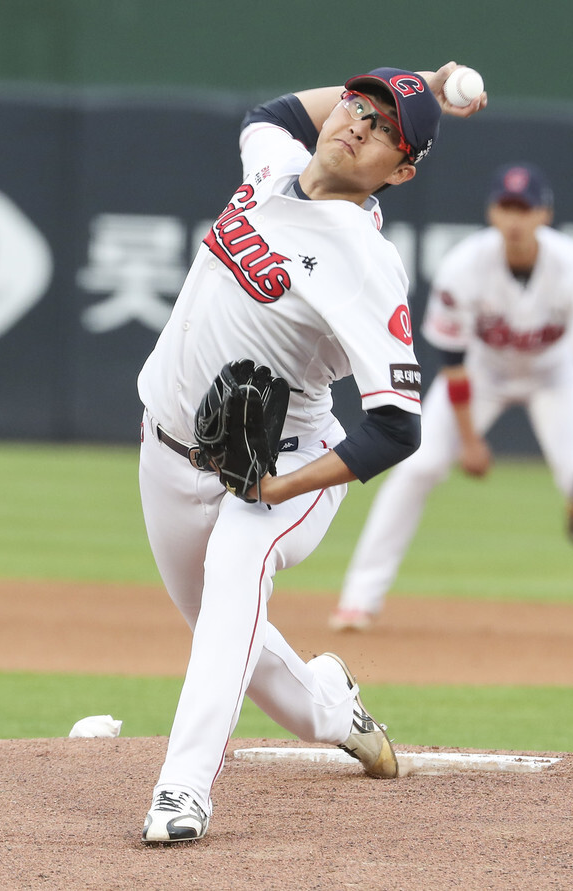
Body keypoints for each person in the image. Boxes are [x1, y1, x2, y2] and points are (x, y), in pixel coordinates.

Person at [136, 63, 485, 843]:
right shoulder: (273, 166)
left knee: (235, 577)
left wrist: (282, 484)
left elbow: (398, 424)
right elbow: (271, 110)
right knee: (233, 638)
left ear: (400, 171)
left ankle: (182, 790)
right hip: (163, 450)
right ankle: (331, 704)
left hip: (282, 466)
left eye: (386, 128)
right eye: (359, 106)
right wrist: (421, 80)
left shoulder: (363, 261)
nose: (358, 122)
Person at [330, 161, 573, 643]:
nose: (514, 218)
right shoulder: (464, 266)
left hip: (553, 377)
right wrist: (469, 441)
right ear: (493, 212)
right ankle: (359, 599)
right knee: (417, 467)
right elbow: (452, 362)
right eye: (505, 207)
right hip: (482, 373)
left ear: (544, 214)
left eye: (525, 208)